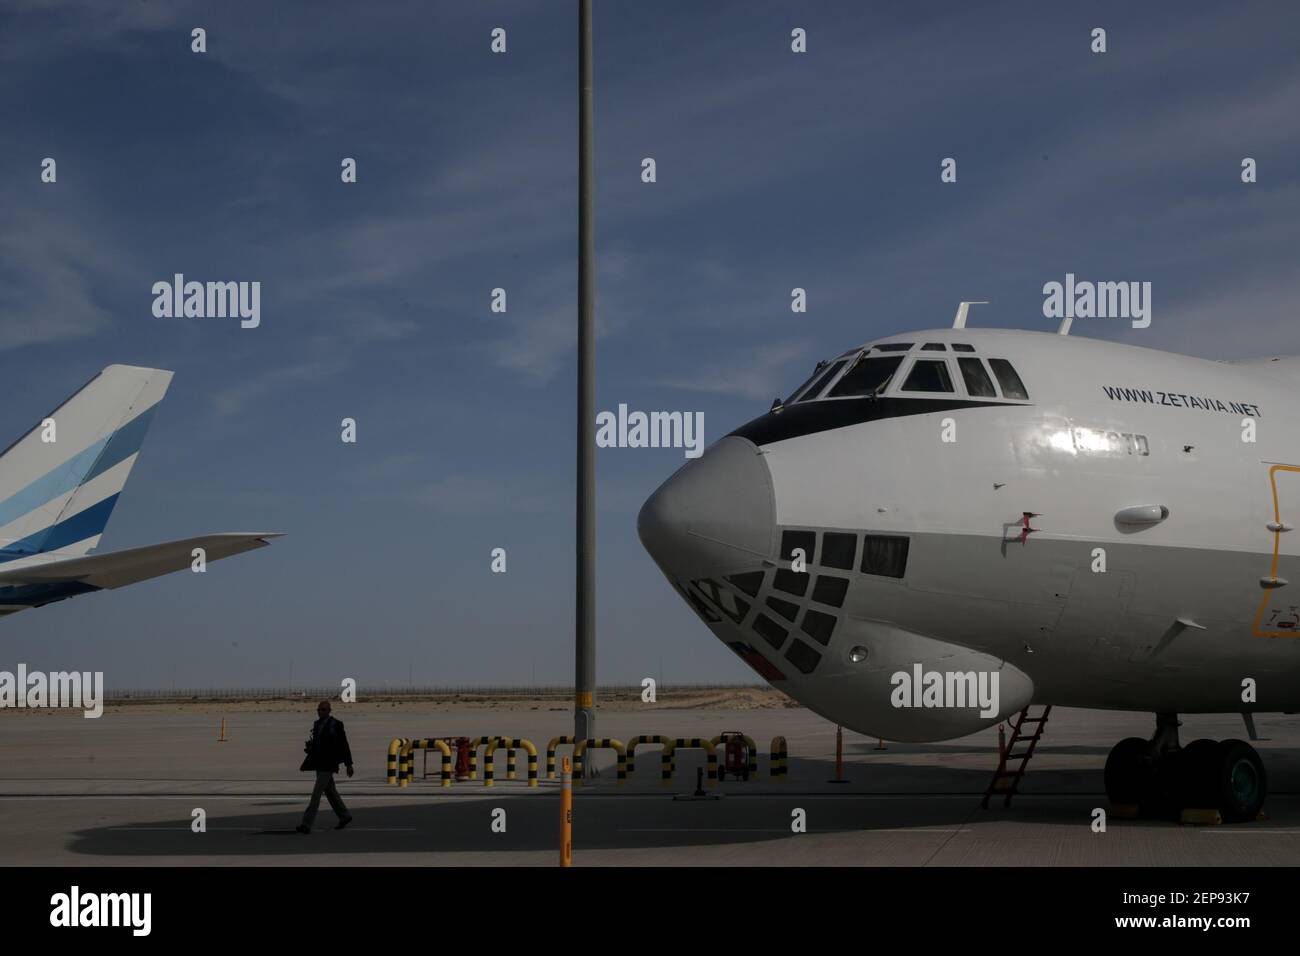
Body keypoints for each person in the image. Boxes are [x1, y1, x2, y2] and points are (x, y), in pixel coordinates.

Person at [296, 700, 354, 833]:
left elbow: (344, 745)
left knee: (316, 794)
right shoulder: (317, 724)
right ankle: (345, 816)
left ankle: (306, 824)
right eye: (319, 710)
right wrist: (310, 748)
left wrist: (348, 764)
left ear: (329, 711)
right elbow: (318, 743)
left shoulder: (336, 724)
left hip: (328, 764)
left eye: (323, 710)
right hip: (319, 762)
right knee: (330, 792)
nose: (320, 712)